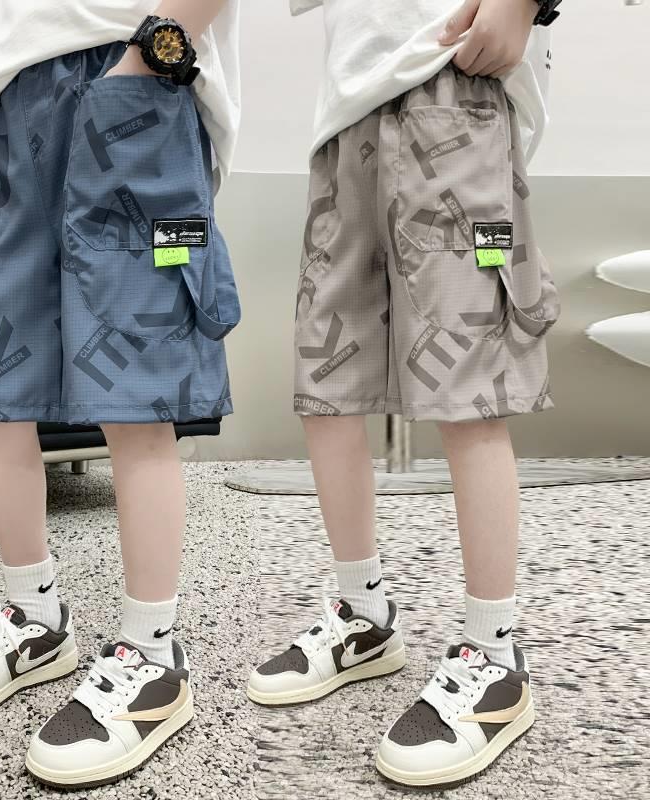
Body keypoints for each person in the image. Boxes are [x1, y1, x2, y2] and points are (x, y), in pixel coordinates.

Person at [0, 0, 240, 789]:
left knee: (137, 400)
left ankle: (153, 654)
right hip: (8, 103)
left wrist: (149, 54)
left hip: (129, 67)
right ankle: (34, 617)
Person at [248, 0, 561, 787]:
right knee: (326, 384)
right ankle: (363, 614)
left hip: (452, 82)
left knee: (468, 394)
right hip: (344, 116)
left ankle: (495, 655)